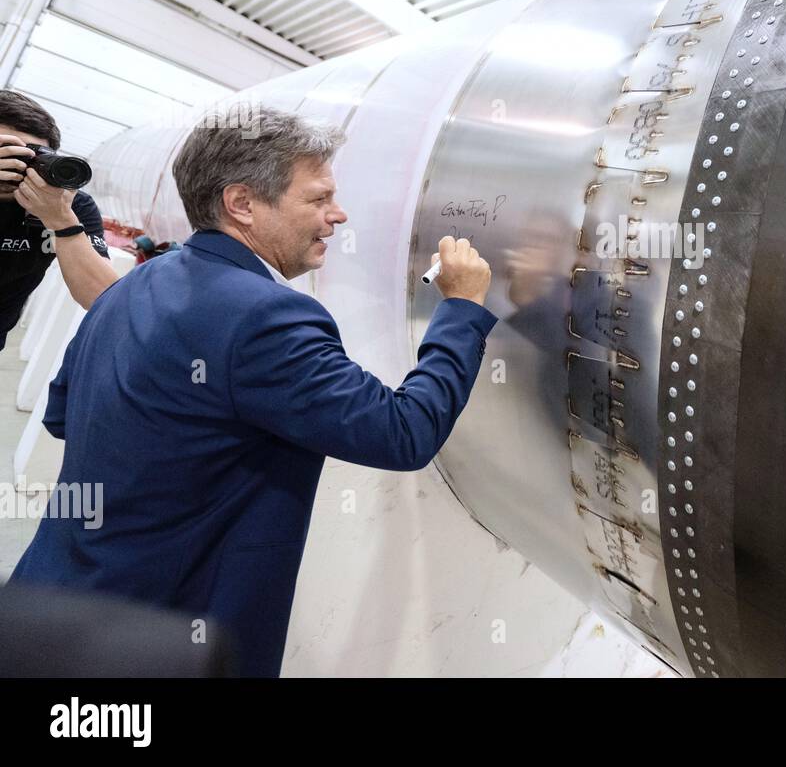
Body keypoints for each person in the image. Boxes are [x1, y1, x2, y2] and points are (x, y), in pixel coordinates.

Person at [7, 103, 496, 677]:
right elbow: (403, 433)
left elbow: (63, 415)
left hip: (50, 602)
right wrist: (461, 309)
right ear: (241, 203)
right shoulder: (268, 316)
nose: (337, 216)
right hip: (155, 639)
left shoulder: (136, 284)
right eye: (317, 198)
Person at [0, 90, 117, 350]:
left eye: (30, 156)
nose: (16, 166)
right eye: (7, 151)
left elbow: (102, 298)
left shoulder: (68, 205)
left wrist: (61, 221)